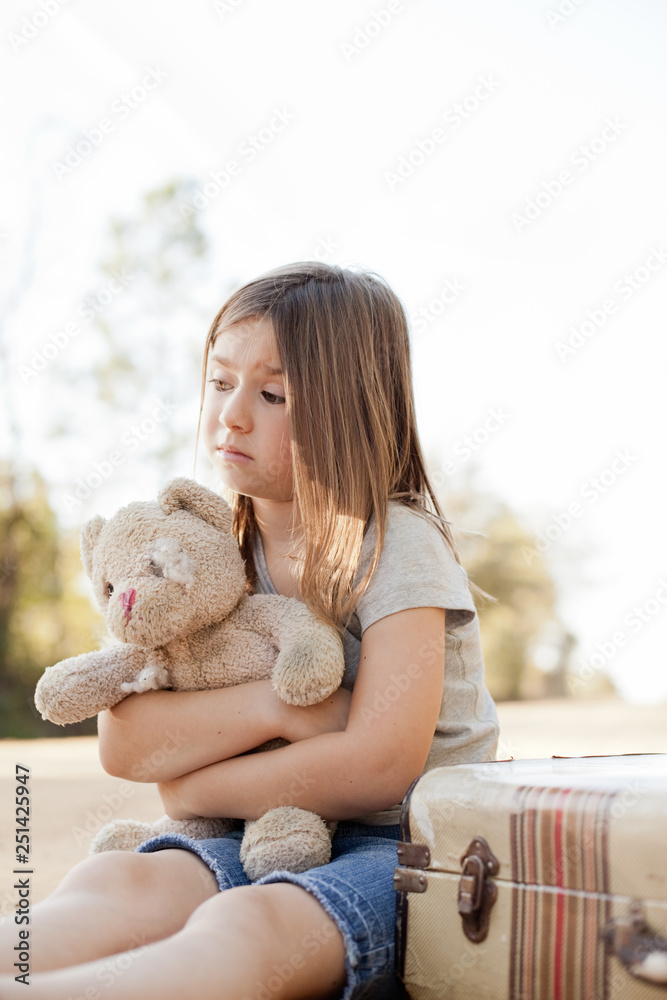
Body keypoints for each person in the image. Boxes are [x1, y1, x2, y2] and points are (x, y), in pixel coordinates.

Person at [0, 262, 499, 1000]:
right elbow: (127, 741)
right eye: (219, 382)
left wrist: (192, 787)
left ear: (351, 411)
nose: (231, 415)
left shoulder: (395, 543)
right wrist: (278, 709)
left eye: (272, 395)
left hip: (399, 844)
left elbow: (380, 766)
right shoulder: (205, 550)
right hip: (250, 823)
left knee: (250, 926)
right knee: (121, 882)